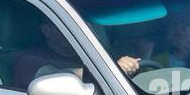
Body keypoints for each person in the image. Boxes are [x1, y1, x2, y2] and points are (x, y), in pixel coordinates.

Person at [13, 20, 142, 87]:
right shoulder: (29, 60)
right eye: (69, 25)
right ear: (47, 30)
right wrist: (113, 70)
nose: (81, 30)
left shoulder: (93, 53)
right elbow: (57, 77)